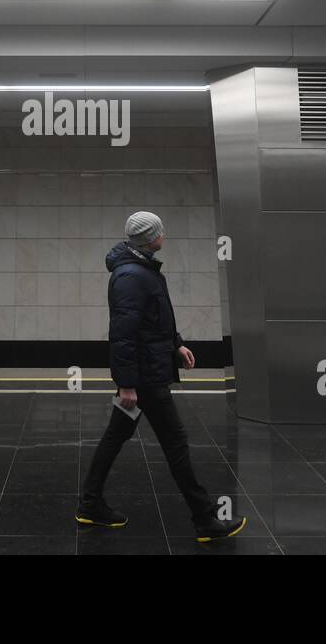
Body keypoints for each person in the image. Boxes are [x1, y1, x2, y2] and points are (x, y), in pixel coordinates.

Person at [75, 210, 247, 543]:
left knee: (116, 437)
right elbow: (123, 334)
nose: (163, 234)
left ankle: (90, 503)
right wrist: (126, 383)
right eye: (159, 231)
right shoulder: (131, 276)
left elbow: (157, 320)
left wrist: (177, 345)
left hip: (149, 369)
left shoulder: (144, 270)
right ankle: (205, 520)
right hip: (145, 378)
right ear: (148, 237)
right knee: (176, 444)